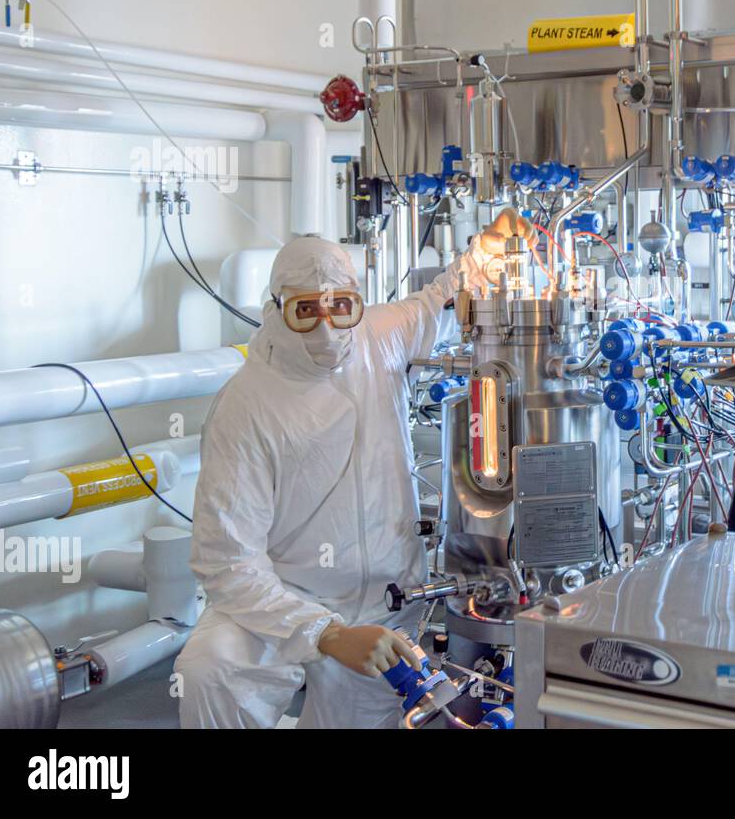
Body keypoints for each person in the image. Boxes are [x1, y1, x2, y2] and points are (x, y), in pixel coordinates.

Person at [174, 209, 534, 728]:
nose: (326, 326)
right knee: (210, 670)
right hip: (282, 597)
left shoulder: (379, 335)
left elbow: (440, 297)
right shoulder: (246, 405)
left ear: (356, 303)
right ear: (276, 310)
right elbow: (227, 563)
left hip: (387, 600)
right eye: (305, 310)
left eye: (340, 306)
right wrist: (326, 632)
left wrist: (489, 248)